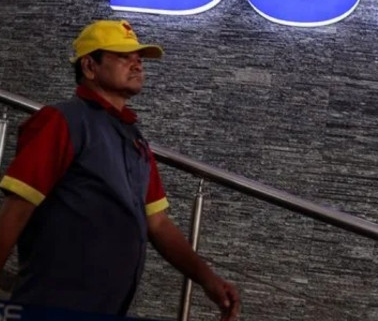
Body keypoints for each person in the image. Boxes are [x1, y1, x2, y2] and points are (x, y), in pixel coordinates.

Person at [0, 20, 240, 320]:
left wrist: (208, 279)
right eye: (124, 56)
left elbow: (159, 224)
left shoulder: (135, 139)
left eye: (139, 58)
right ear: (90, 66)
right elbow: (16, 210)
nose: (137, 64)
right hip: (51, 304)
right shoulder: (61, 121)